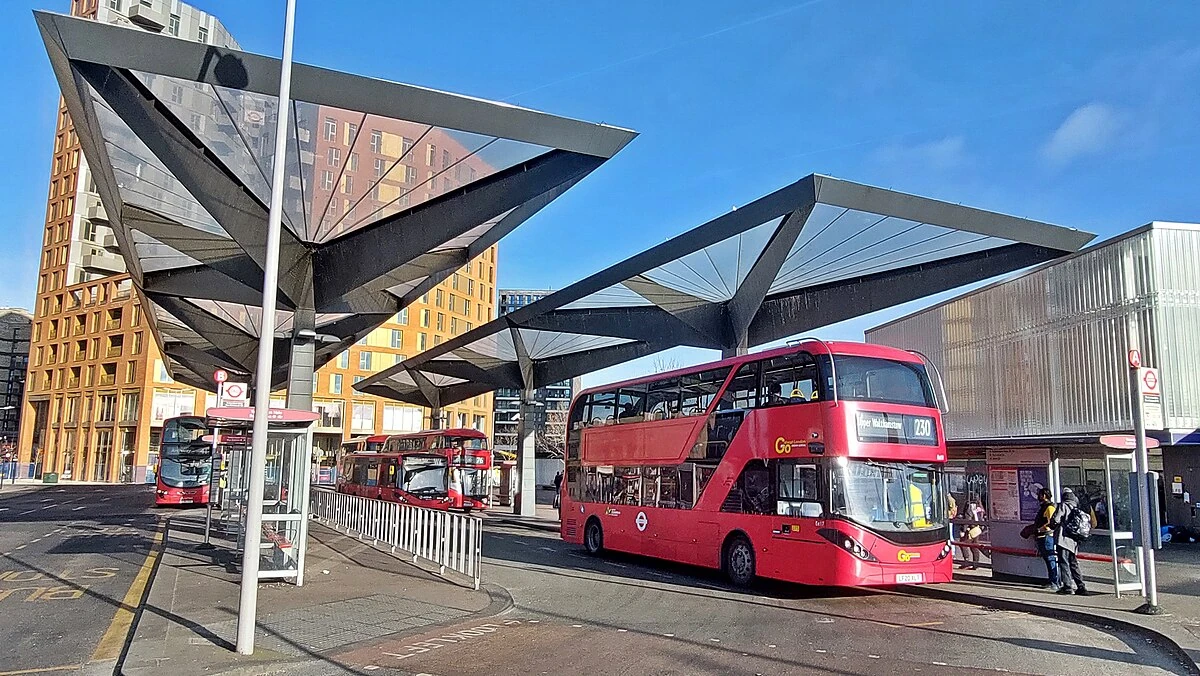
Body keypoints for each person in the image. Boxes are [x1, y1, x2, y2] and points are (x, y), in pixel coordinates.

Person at [1052, 487, 1090, 595]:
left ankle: (1067, 586)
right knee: (1074, 563)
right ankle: (1081, 586)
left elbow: (1055, 520)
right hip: (1074, 541)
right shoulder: (1077, 507)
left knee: (1064, 562)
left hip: (1063, 539)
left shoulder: (1063, 506)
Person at [1032, 488, 1060, 590]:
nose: (1039, 497)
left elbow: (1051, 522)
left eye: (1040, 494)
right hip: (1042, 536)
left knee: (1050, 559)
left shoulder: (1049, 507)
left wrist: (1040, 529)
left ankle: (1054, 581)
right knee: (1048, 559)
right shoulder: (1044, 507)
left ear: (1044, 495)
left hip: (1046, 536)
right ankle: (1052, 580)